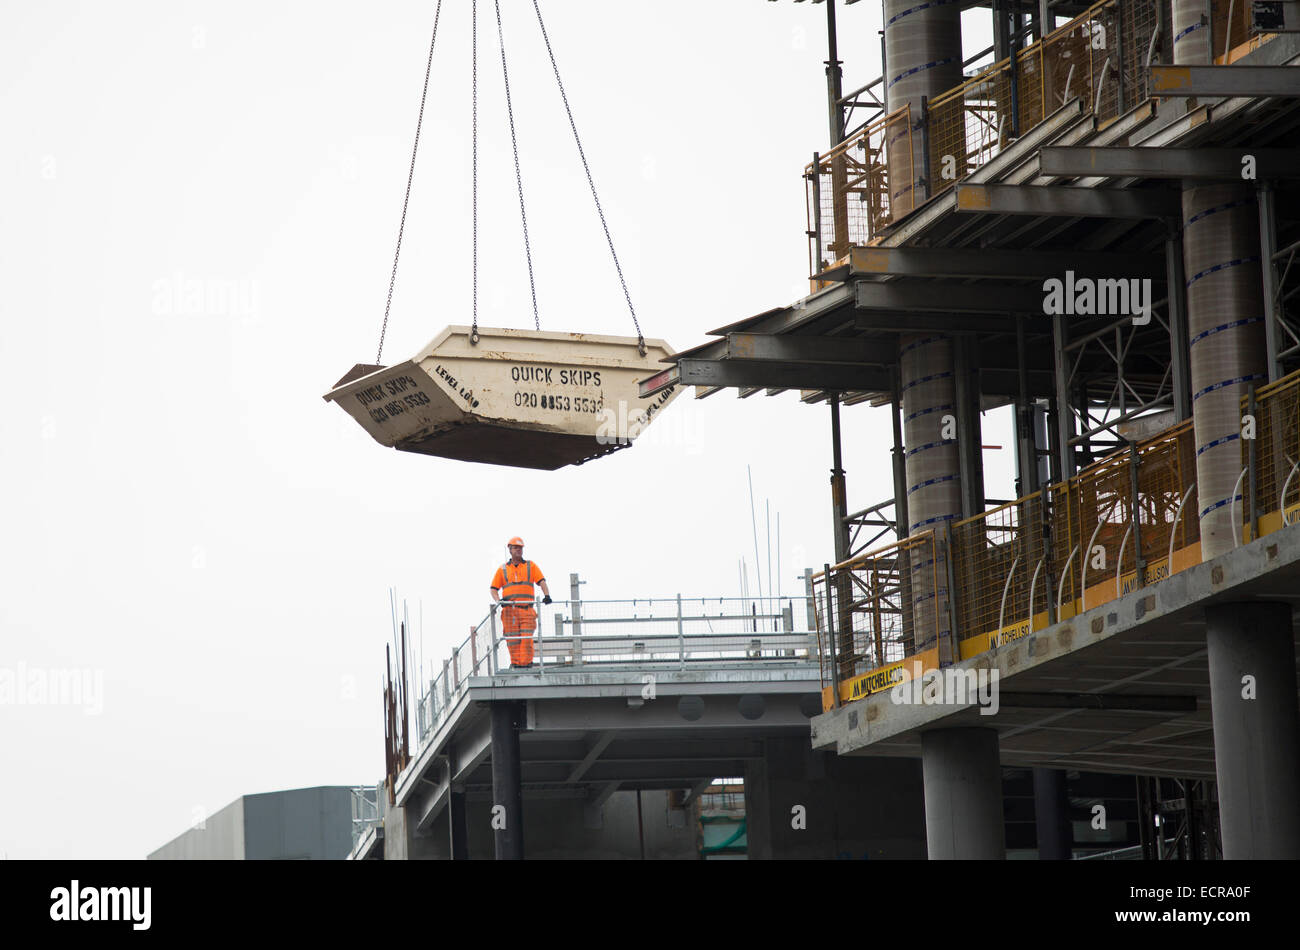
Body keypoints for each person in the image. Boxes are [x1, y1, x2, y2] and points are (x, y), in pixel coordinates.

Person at [490, 537, 552, 668]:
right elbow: (493, 589)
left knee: (526, 639)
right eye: (516, 548)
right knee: (512, 640)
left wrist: (547, 595)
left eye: (521, 548)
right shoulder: (503, 569)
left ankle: (526, 664)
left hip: (526, 610)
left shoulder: (531, 566)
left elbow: (541, 581)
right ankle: (516, 664)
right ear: (510, 550)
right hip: (509, 611)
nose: (519, 550)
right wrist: (498, 600)